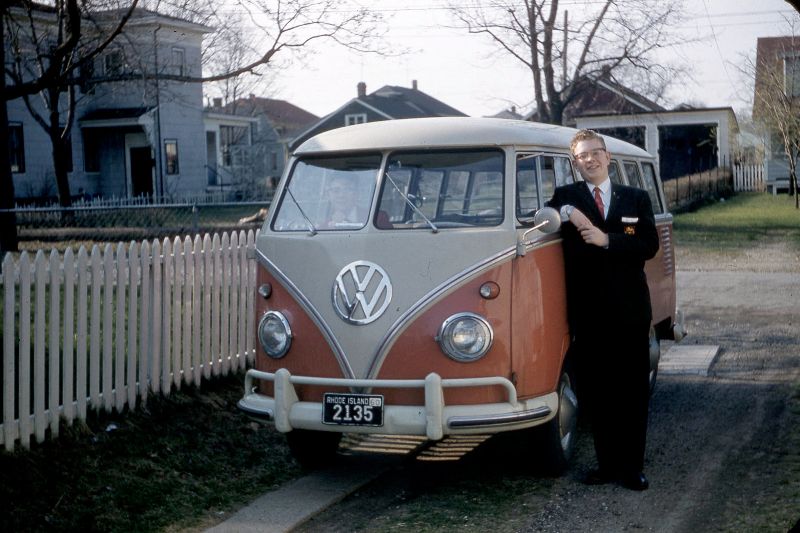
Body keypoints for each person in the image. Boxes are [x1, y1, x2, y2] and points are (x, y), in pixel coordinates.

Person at [547, 129, 659, 491]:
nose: (591, 159)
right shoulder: (567, 197)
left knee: (631, 393)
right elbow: (542, 214)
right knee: (598, 394)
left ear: (608, 157)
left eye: (596, 152)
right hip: (589, 315)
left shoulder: (635, 198)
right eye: (583, 156)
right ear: (575, 163)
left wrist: (606, 240)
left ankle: (632, 468)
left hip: (630, 312)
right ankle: (607, 465)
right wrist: (569, 214)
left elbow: (649, 245)